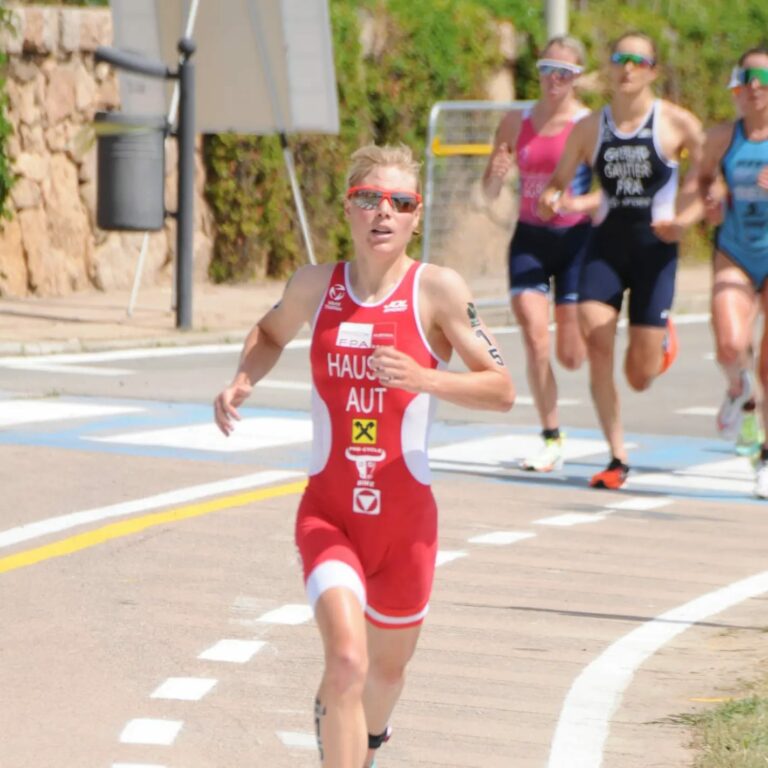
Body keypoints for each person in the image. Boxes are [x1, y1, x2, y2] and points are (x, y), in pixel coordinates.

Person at [213, 144, 515, 767]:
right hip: (330, 515)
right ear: (348, 206)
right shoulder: (314, 285)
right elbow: (269, 333)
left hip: (406, 529)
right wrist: (244, 377)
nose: (384, 213)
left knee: (384, 675)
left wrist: (426, 378)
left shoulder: (437, 291)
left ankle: (368, 741)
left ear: (414, 216)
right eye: (369, 198)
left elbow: (502, 389)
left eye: (400, 202)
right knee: (347, 659)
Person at [538, 31, 704, 490]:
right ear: (609, 67)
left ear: (653, 71)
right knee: (595, 338)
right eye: (619, 59)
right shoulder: (590, 128)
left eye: (638, 60)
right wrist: (553, 200)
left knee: (639, 376)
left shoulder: (675, 123)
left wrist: (685, 217)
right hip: (606, 247)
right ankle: (617, 456)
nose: (627, 68)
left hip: (655, 252)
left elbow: (707, 177)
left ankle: (658, 341)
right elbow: (557, 183)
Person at [483, 35, 599, 473]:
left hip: (575, 242)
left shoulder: (589, 124)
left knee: (571, 354)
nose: (555, 79)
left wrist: (574, 204)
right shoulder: (517, 121)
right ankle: (551, 436)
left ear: (578, 77)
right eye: (548, 68)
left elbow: (609, 195)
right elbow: (489, 189)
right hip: (530, 238)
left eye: (564, 72)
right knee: (535, 337)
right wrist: (495, 175)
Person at [699, 46, 768, 496]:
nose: (756, 85)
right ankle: (737, 391)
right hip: (737, 253)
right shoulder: (723, 137)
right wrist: (708, 201)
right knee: (730, 345)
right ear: (737, 86)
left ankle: (764, 453)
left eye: (764, 76)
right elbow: (699, 185)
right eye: (748, 77)